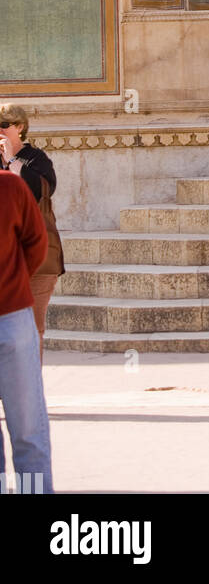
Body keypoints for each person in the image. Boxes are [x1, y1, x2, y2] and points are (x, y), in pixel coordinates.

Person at [0, 166, 52, 492]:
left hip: (14, 316)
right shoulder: (11, 185)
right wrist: (15, 281)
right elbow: (37, 243)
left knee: (28, 427)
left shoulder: (11, 185)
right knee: (28, 427)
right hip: (14, 316)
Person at [0, 106, 64, 360]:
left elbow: (40, 192)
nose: (0, 129)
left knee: (33, 328)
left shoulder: (36, 159)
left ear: (20, 127)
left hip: (38, 258)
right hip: (5, 258)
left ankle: (29, 389)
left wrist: (11, 162)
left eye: (4, 124)